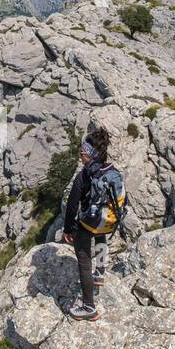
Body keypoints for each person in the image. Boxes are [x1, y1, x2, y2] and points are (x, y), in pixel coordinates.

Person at [61, 127, 125, 321]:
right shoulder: (111, 171)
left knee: (83, 260)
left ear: (87, 154)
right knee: (100, 234)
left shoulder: (84, 177)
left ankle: (89, 307)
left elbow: (72, 205)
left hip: (88, 224)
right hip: (108, 222)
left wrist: (67, 229)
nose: (80, 156)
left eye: (82, 153)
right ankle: (101, 271)